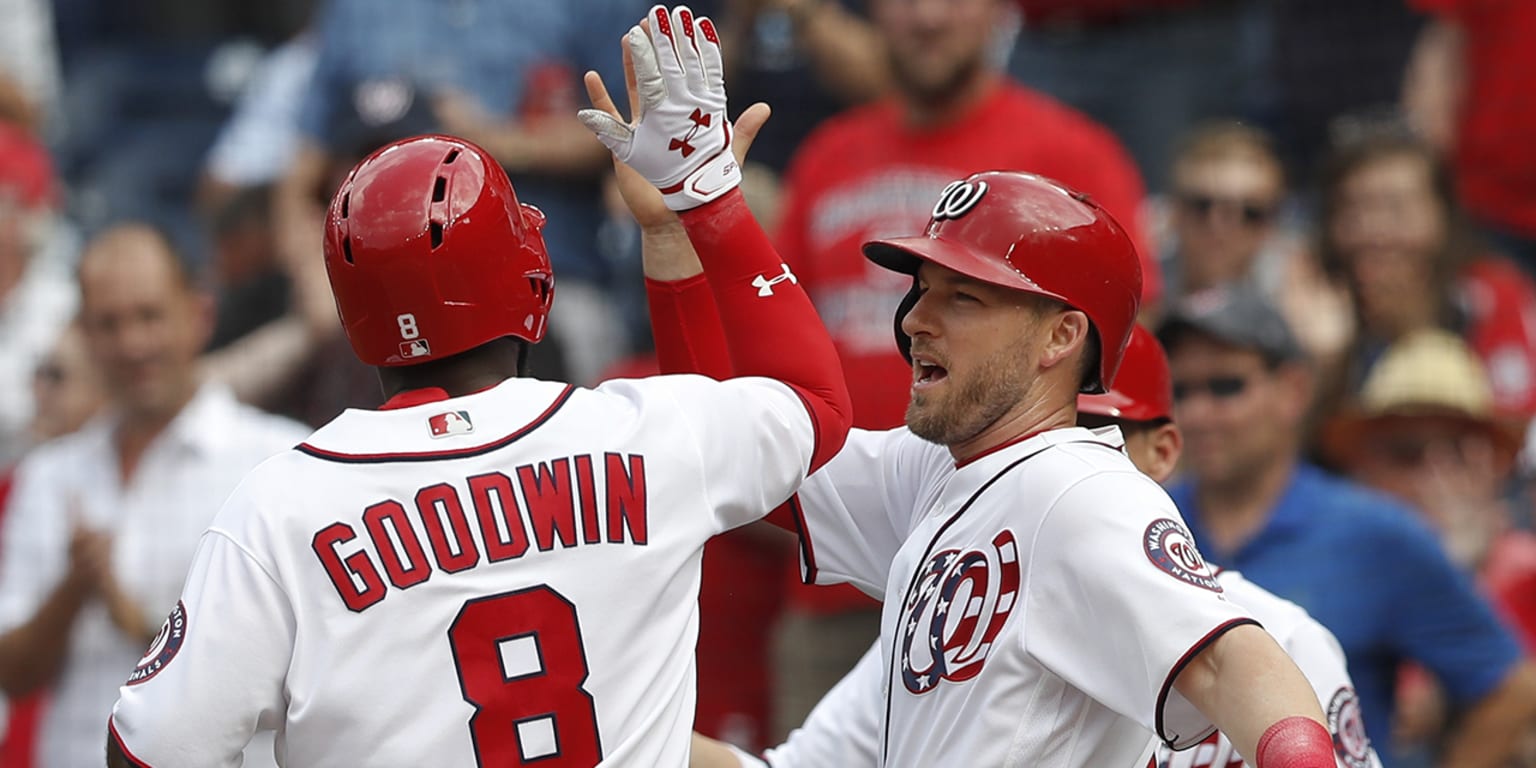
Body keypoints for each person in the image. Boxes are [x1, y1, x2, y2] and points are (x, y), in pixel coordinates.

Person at [107, 8, 853, 764]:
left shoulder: (281, 505)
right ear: (528, 278)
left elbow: (149, 750)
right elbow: (813, 406)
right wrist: (708, 203)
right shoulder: (639, 433)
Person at [600, 50, 1342, 759]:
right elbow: (743, 449)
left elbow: (1229, 664)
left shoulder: (1080, 491)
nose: (918, 318)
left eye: (964, 297)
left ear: (1060, 336)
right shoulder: (930, 472)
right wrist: (678, 232)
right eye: (922, 289)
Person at [688, 326, 1384, 768]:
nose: (1059, 453)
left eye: (1093, 432)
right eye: (1053, 426)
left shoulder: (1290, 644)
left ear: (1164, 451)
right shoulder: (959, 615)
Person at [766, 0, 1158, 729]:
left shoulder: (1071, 151)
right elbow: (776, 348)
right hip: (834, 569)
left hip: (1005, 575)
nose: (927, 18)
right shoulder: (825, 155)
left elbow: (1129, 358)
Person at [1158, 282, 1536, 766]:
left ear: (1293, 390)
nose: (1197, 412)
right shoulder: (1149, 518)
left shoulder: (1375, 533)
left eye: (1226, 386)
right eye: (1180, 390)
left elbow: (1511, 686)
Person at [0, 224, 306, 768]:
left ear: (199, 315)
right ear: (85, 336)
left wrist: (140, 620)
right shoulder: (46, 477)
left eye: (149, 316)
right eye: (109, 323)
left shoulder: (278, 461)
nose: (132, 343)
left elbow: (303, 663)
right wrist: (73, 590)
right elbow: (12, 674)